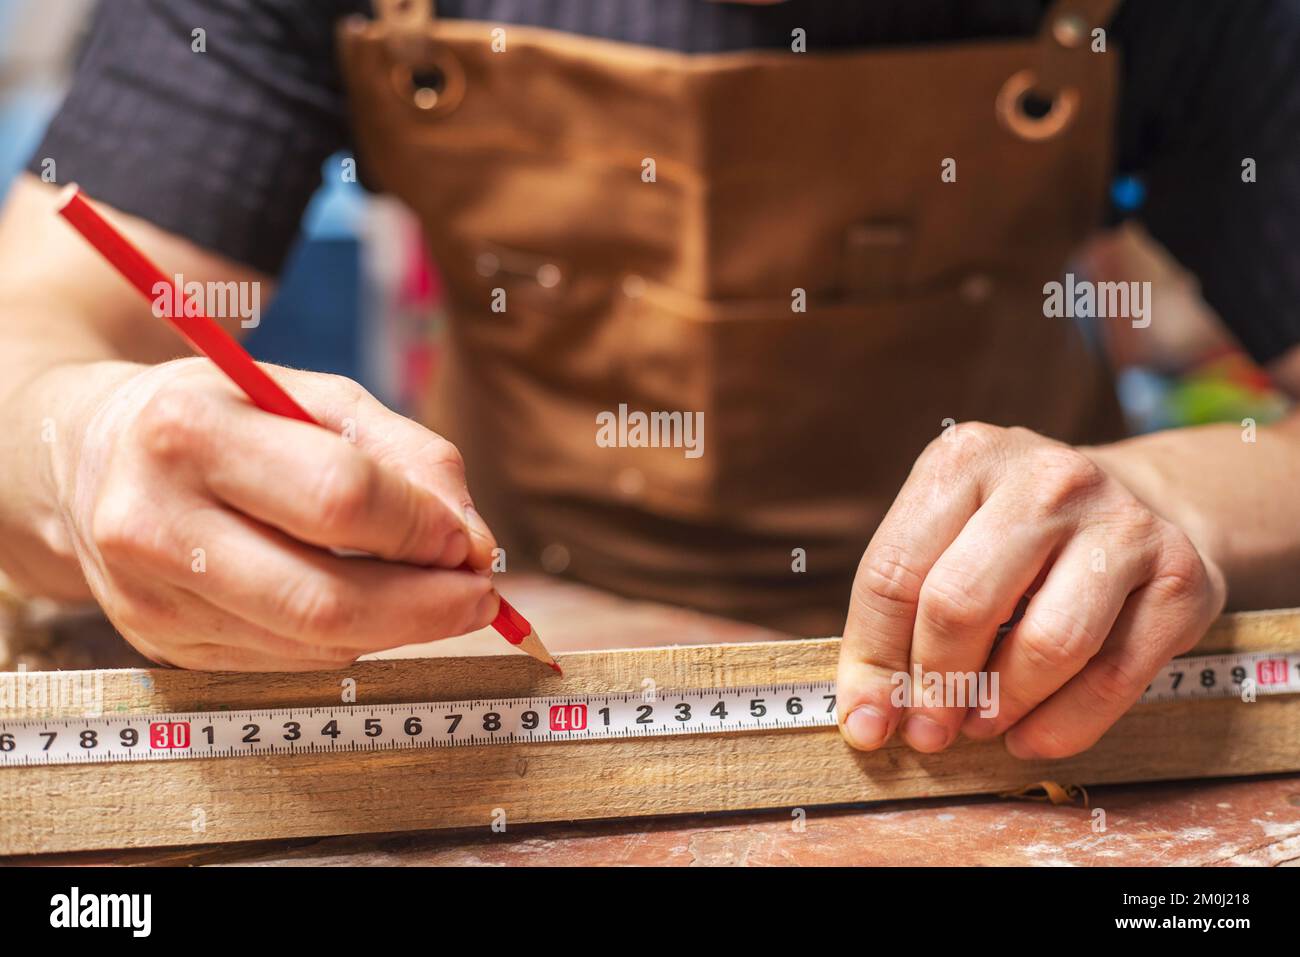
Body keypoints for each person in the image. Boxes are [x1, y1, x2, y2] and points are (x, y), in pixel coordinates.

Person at [1, 0, 1297, 761]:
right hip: (506, 668)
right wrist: (82, 442)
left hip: (1007, 689)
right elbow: (33, 329)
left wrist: (1174, 501)